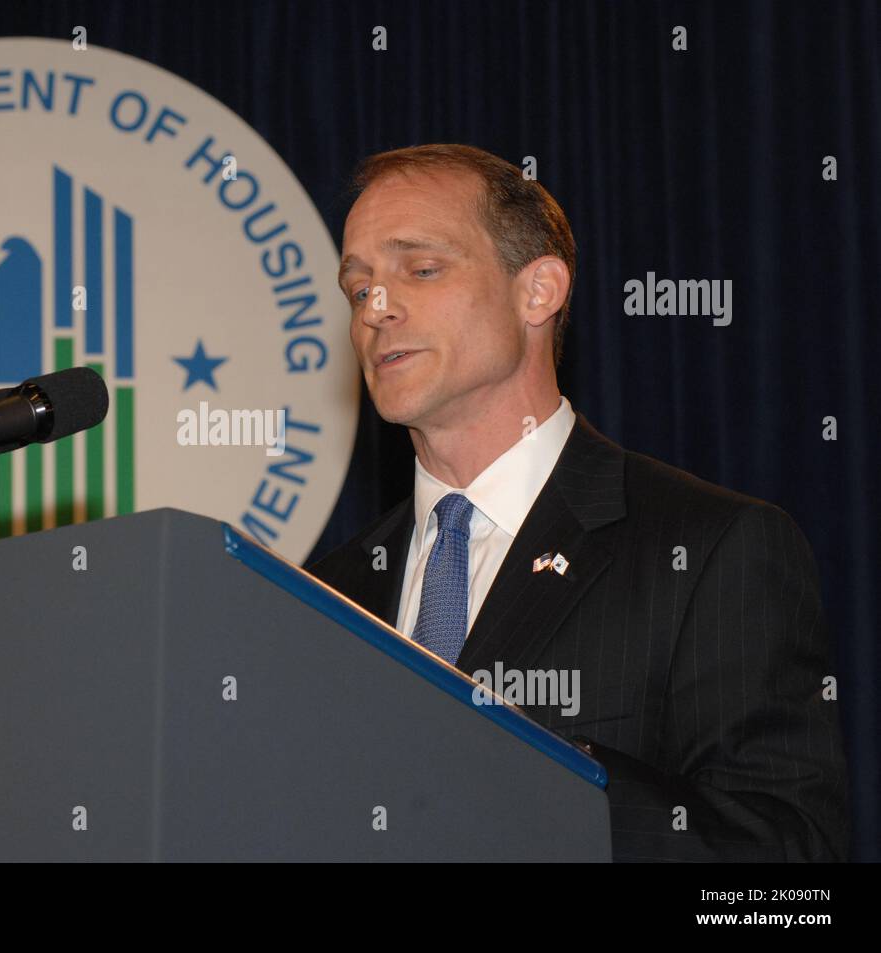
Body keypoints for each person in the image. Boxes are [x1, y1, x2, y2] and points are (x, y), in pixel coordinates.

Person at [308, 144, 849, 861]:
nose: (377, 307)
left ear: (539, 291)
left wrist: (543, 781)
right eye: (358, 287)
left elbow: (788, 884)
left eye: (422, 268)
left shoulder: (711, 550)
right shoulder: (324, 593)